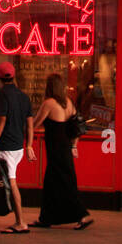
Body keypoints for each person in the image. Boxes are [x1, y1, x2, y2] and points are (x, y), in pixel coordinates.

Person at [0, 61, 35, 234]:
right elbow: (30, 124)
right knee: (0, 180)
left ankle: (20, 222)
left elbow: (1, 120)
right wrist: (30, 145)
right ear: (14, 76)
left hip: (6, 145)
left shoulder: (2, 95)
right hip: (18, 146)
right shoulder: (24, 97)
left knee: (10, 181)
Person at [30, 74, 93, 230]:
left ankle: (81, 215)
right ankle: (46, 218)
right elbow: (77, 126)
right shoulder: (68, 103)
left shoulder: (48, 104)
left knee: (58, 183)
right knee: (60, 182)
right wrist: (74, 146)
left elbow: (36, 123)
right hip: (65, 147)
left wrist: (26, 135)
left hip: (55, 150)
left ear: (49, 87)